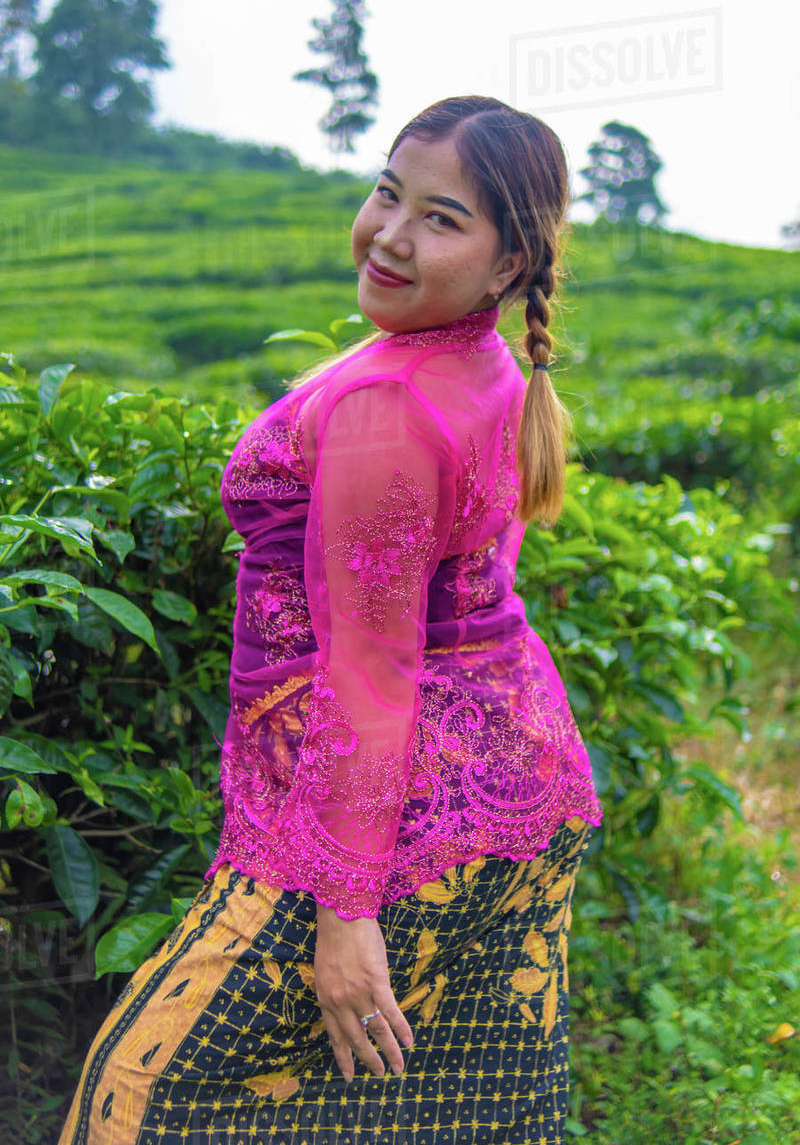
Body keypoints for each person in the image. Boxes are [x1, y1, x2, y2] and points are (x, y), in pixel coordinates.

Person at [58, 94, 603, 1145]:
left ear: (506, 266)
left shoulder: (385, 410)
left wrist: (343, 915)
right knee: (437, 1114)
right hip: (520, 788)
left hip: (383, 828)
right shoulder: (480, 365)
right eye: (387, 193)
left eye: (441, 219)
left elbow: (370, 673)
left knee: (139, 1102)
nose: (390, 236)